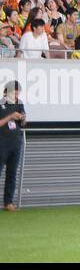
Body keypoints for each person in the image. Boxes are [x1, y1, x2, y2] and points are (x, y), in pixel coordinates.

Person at [0, 81, 26, 211]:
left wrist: (22, 118)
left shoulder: (19, 103)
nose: (16, 95)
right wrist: (10, 116)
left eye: (17, 93)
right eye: (13, 92)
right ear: (5, 92)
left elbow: (24, 123)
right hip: (2, 143)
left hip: (15, 143)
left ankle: (8, 202)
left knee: (12, 174)